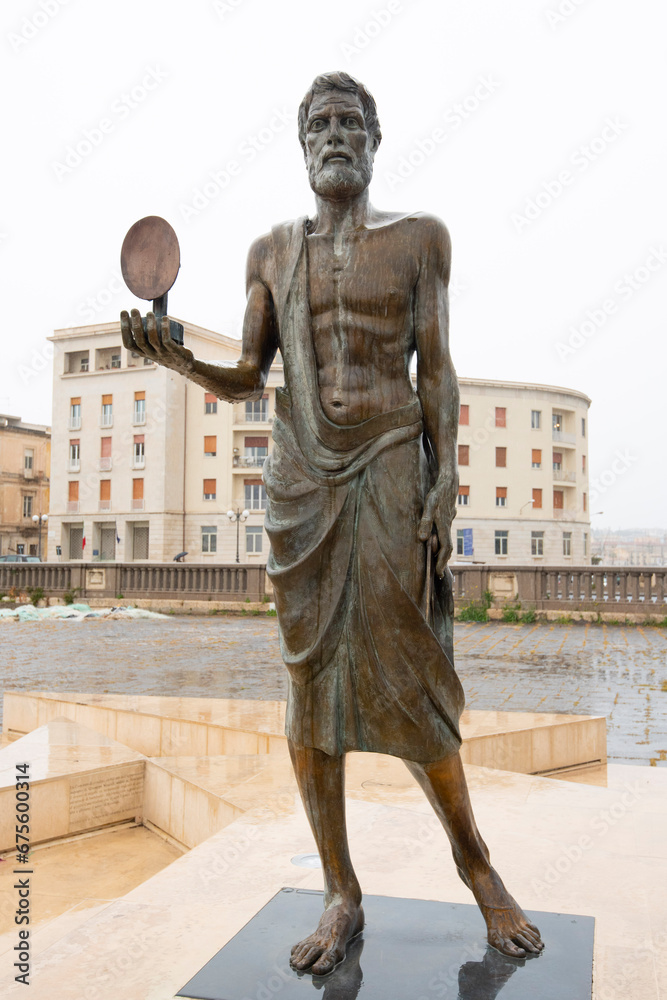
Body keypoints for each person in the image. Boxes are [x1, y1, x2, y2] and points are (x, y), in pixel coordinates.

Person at [121, 70, 543, 976]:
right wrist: (178, 360)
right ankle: (339, 890)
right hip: (301, 476)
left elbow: (437, 367)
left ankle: (476, 866)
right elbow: (249, 374)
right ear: (302, 144)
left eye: (351, 122)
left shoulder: (421, 238)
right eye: (320, 124)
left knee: (412, 678)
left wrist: (446, 476)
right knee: (309, 686)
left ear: (375, 142)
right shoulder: (271, 252)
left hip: (389, 458)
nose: (336, 135)